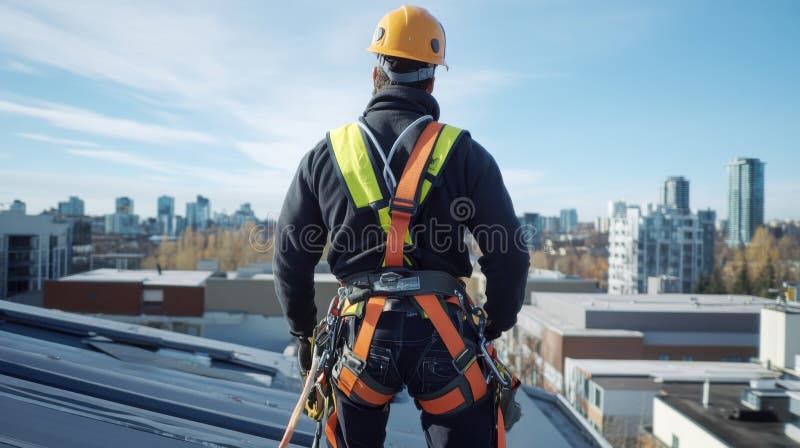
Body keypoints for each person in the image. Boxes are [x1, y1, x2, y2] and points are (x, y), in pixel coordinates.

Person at [274, 5, 529, 447]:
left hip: (361, 343)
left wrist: (304, 333)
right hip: (445, 341)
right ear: (432, 81)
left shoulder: (325, 155)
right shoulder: (466, 154)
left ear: (376, 74)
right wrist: (492, 325)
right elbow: (509, 255)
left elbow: (289, 257)